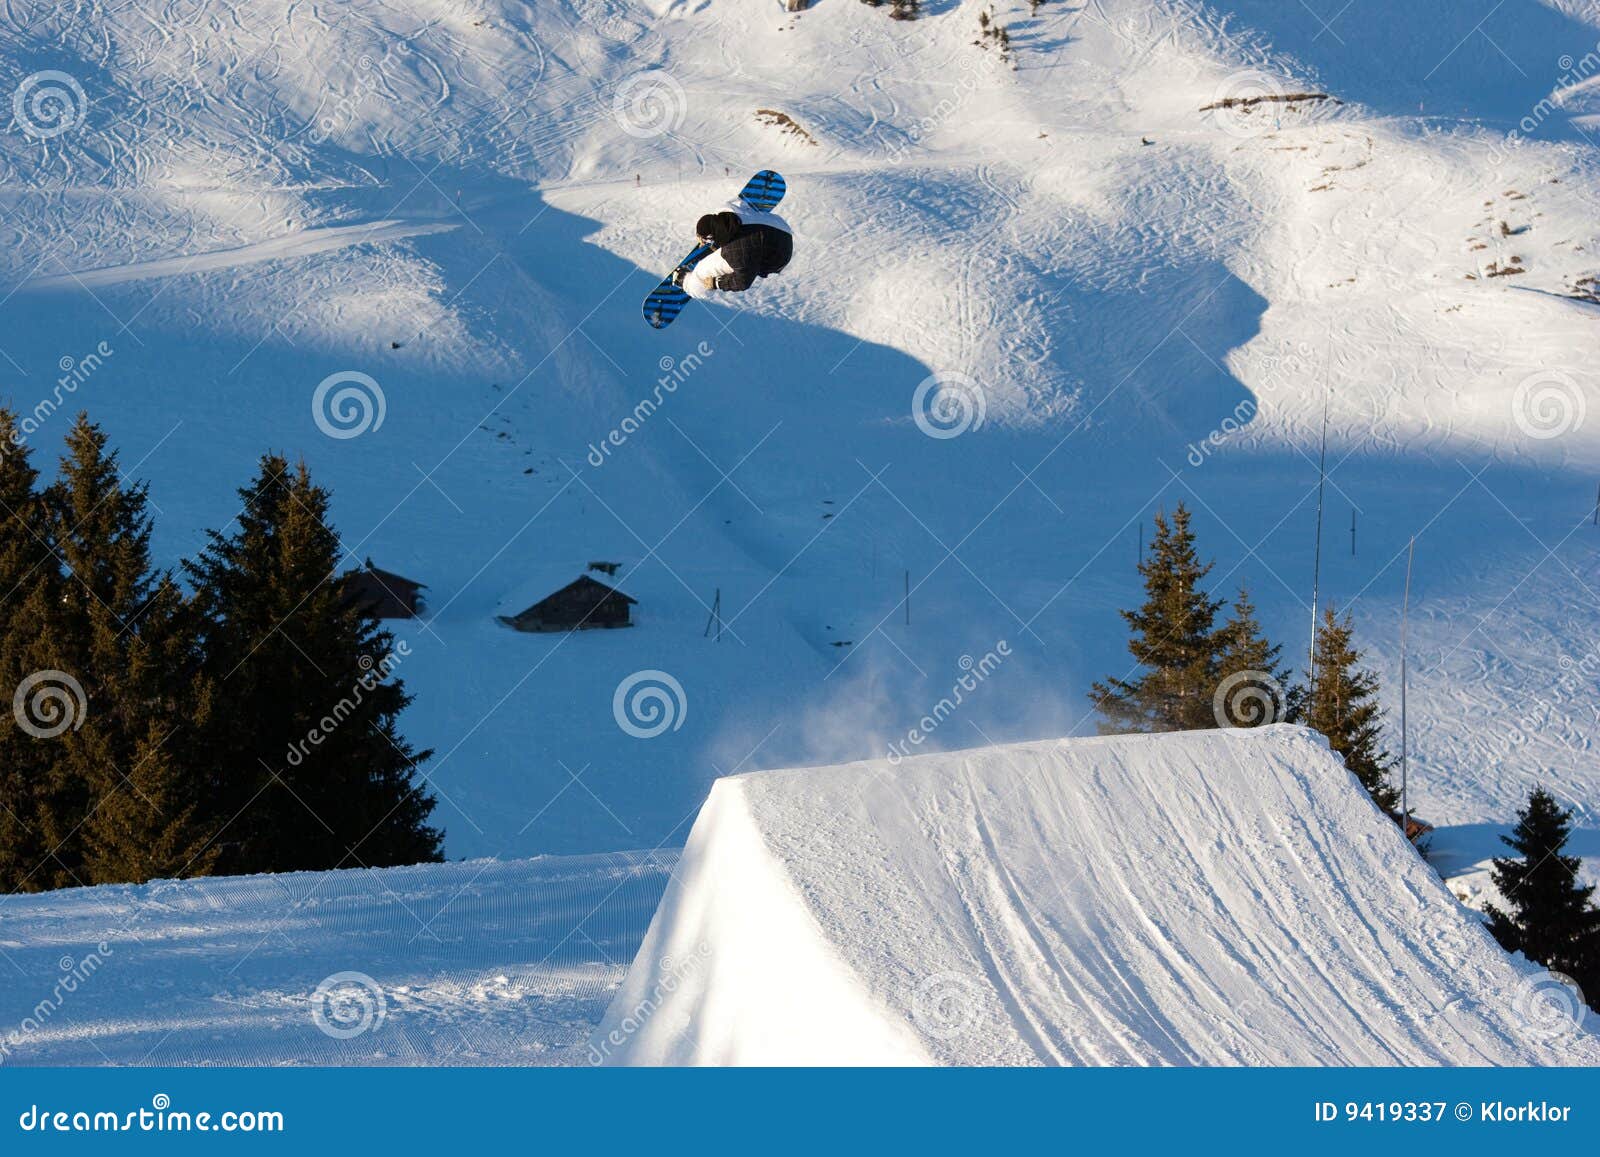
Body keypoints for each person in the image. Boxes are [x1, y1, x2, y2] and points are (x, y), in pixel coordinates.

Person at [672, 197, 794, 299]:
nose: (702, 243)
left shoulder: (735, 253)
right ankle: (720, 243)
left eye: (704, 240)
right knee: (741, 244)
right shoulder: (728, 210)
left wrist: (716, 283)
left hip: (778, 258)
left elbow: (743, 281)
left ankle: (687, 283)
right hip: (781, 228)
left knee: (703, 271)